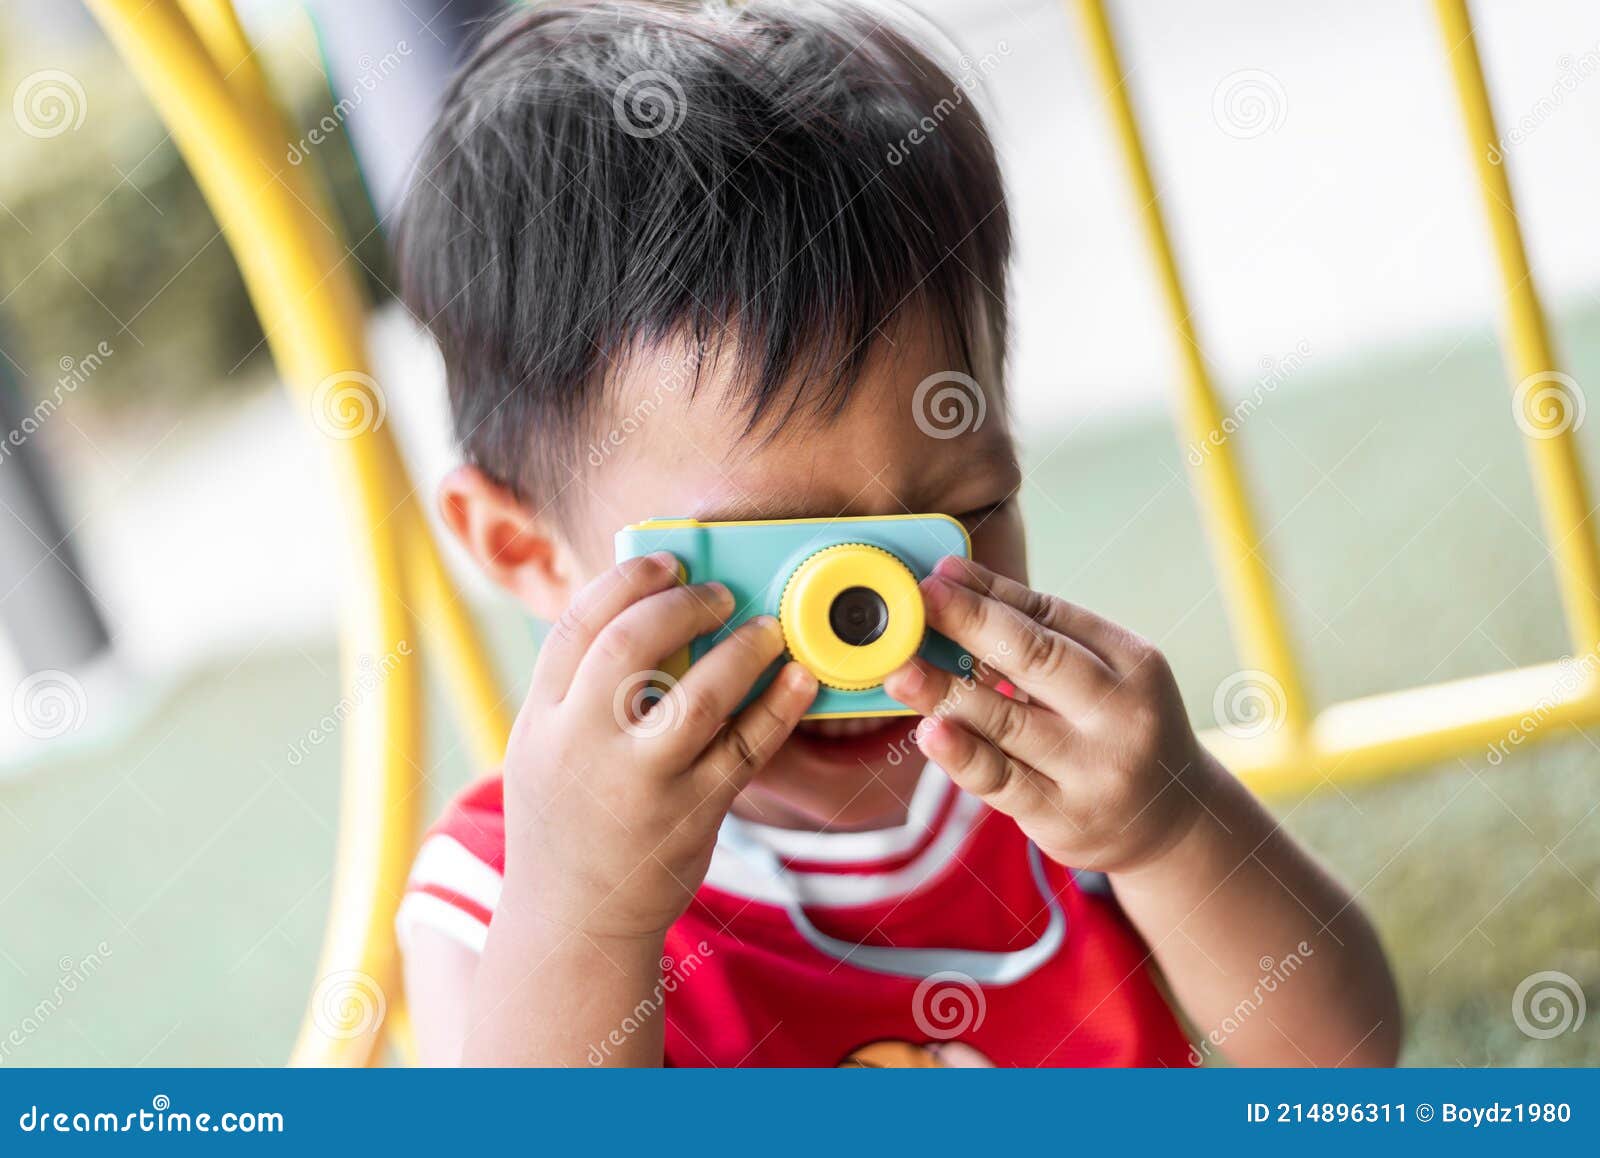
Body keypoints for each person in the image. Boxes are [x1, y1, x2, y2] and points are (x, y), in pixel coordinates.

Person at [391, 0, 1400, 1067]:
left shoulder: (1058, 769)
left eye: (962, 512)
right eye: (779, 563)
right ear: (526, 549)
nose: (884, 626)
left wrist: (1174, 828)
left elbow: (1345, 1065)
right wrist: (587, 922)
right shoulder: (500, 897)